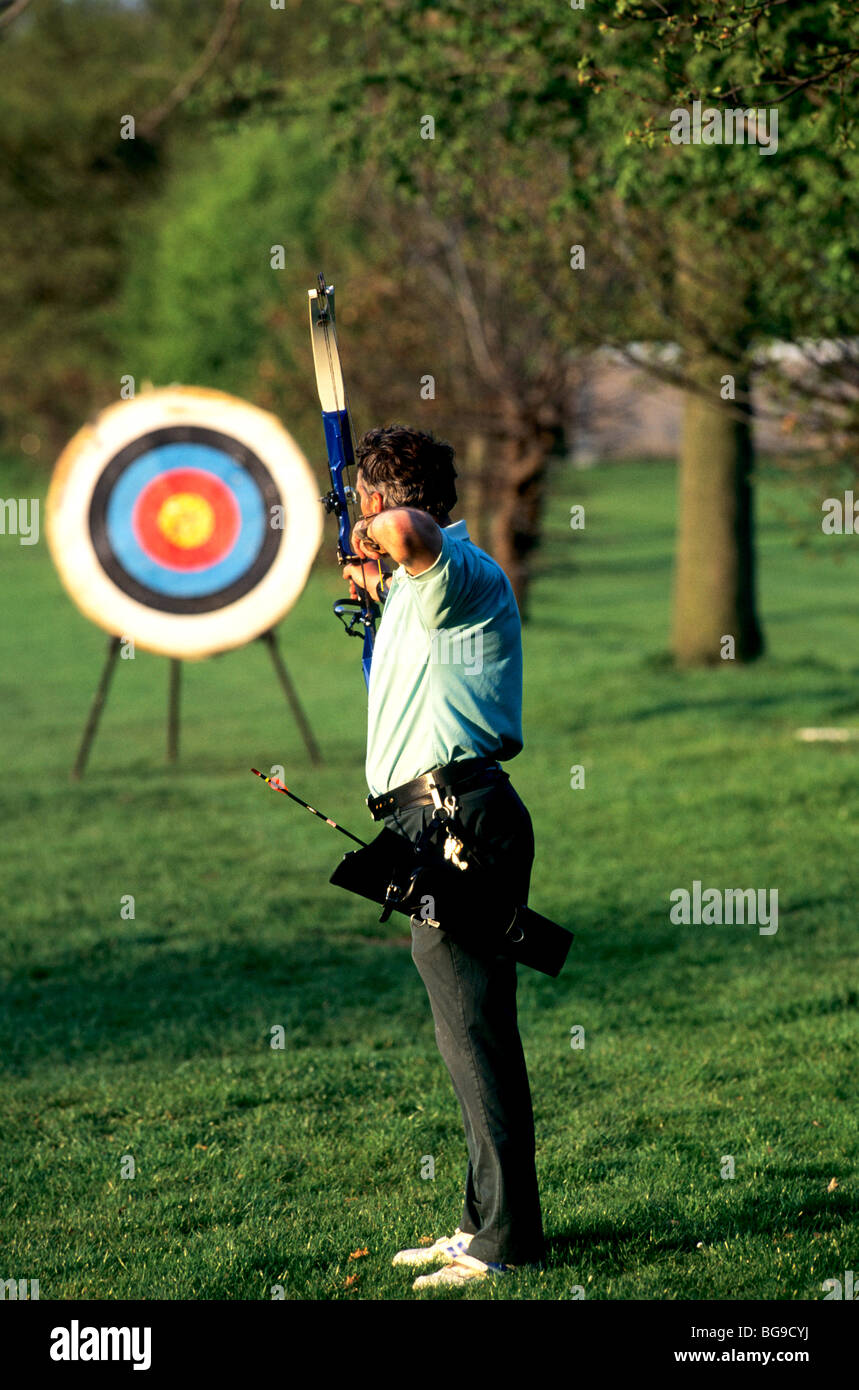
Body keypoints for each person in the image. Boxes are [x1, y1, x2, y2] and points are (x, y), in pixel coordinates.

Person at [342, 424, 545, 1293]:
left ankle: (505, 1239)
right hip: (434, 820)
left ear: (385, 500)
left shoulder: (451, 567)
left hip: (458, 818)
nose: (361, 517)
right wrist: (377, 587)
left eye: (363, 502)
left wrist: (378, 533)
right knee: (462, 1029)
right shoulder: (422, 592)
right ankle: (479, 1222)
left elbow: (413, 539)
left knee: (475, 1030)